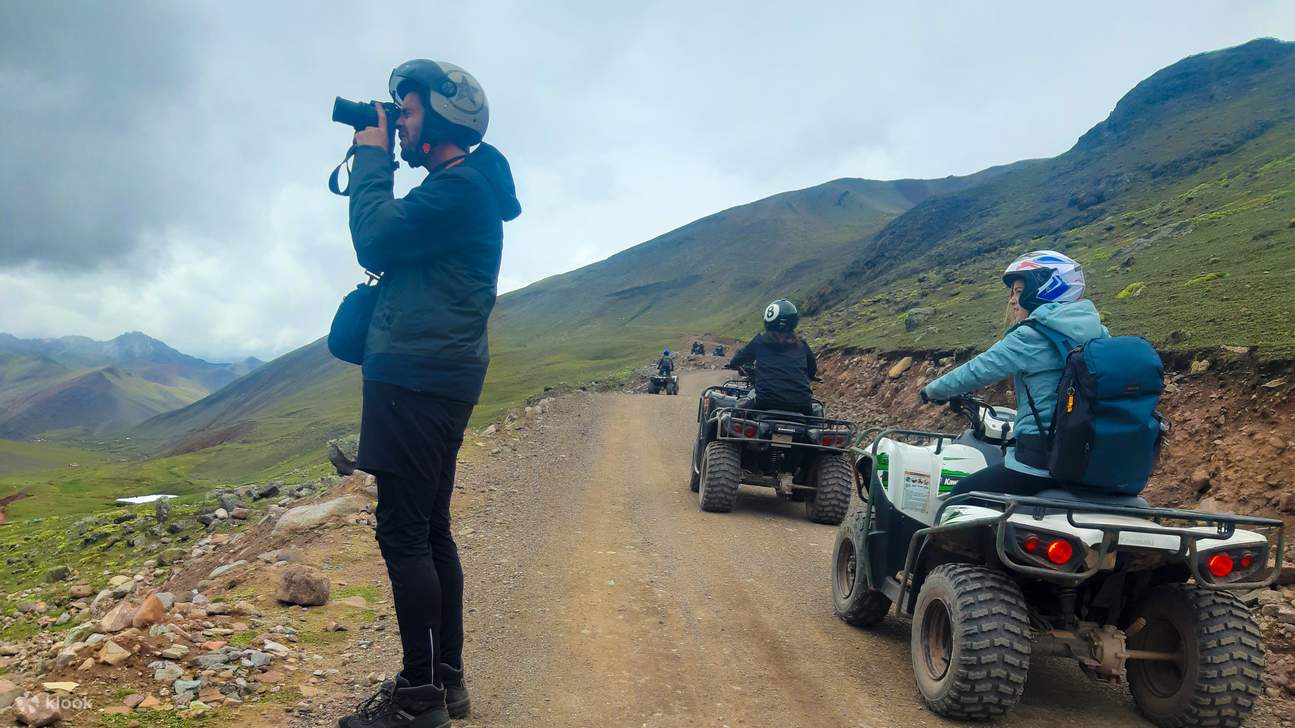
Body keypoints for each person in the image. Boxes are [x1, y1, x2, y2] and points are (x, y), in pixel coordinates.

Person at [340, 59, 521, 728]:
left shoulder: (458, 188)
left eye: (408, 113)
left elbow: (374, 235)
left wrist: (368, 157)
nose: (399, 124)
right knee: (429, 528)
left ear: (445, 117)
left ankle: (418, 700)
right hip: (433, 374)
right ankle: (445, 682)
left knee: (404, 534)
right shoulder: (459, 188)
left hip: (414, 377)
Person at [920, 251, 1106, 498]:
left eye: (1019, 291)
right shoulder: (1100, 333)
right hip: (1091, 462)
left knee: (961, 494)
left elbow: (977, 370)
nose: (1012, 300)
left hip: (1040, 462)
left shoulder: (1030, 335)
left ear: (1045, 289)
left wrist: (932, 390)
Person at [728, 299, 817, 414]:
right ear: (794, 321)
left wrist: (734, 365)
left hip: (764, 403)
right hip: (802, 406)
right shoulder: (802, 345)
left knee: (733, 415)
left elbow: (737, 360)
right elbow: (812, 371)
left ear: (768, 319)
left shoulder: (759, 341)